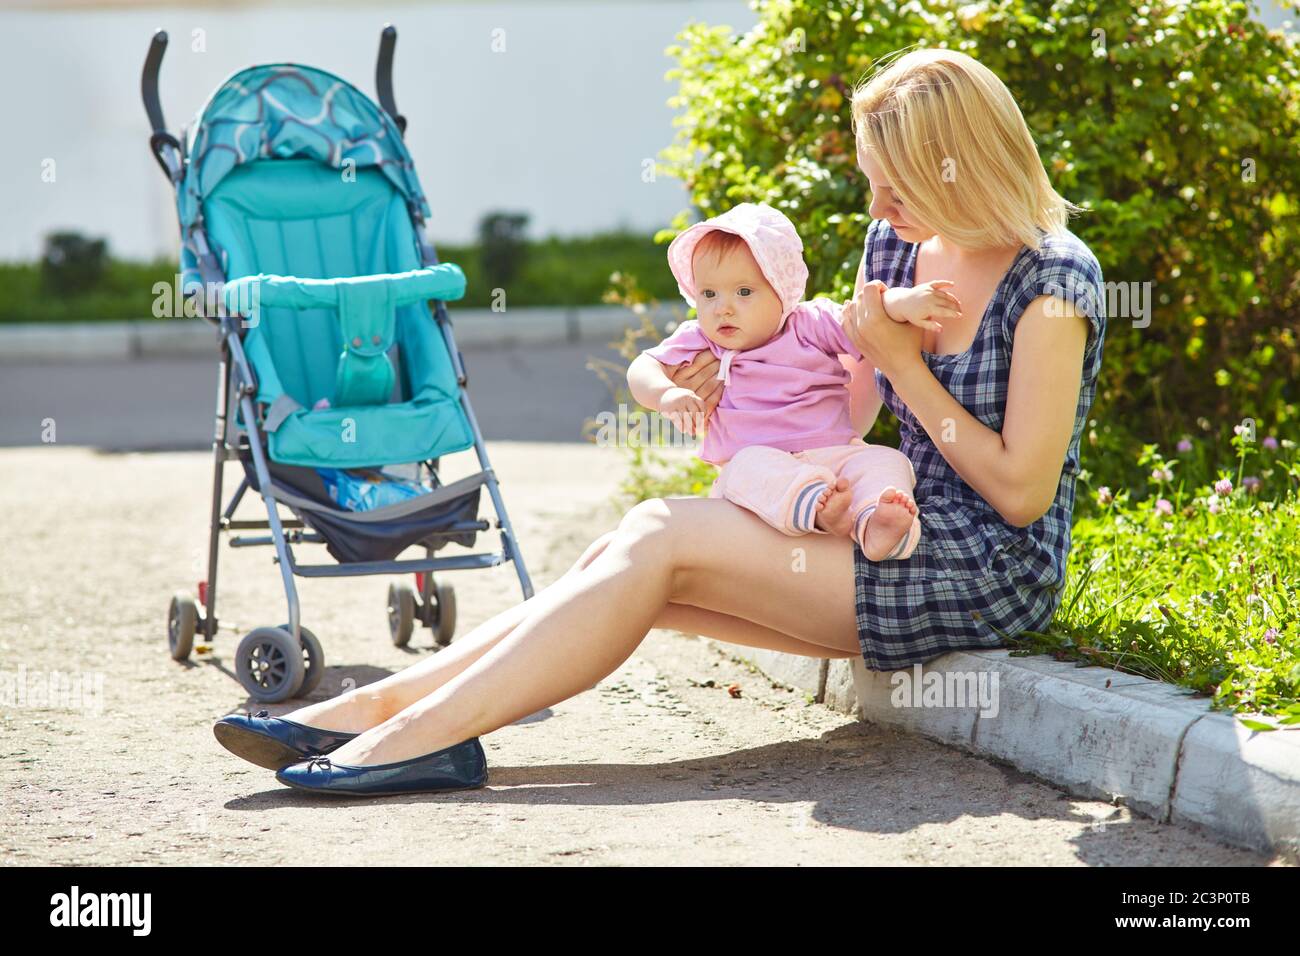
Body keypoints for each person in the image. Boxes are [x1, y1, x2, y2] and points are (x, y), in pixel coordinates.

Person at [212, 47, 1106, 797]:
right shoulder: (902, 244)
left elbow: (1023, 495)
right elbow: (849, 383)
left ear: (962, 164)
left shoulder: (1052, 281)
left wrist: (904, 362)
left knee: (662, 533)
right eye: (874, 186)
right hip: (881, 524)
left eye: (894, 187)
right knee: (629, 560)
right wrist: (754, 377)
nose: (877, 210)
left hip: (981, 566)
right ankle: (375, 715)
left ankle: (413, 738)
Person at [630, 201, 961, 561]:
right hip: (761, 472)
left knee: (885, 460)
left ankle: (876, 522)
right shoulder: (701, 338)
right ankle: (816, 508)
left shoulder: (811, 323)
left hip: (834, 453)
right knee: (742, 468)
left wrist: (907, 302)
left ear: (782, 291)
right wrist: (666, 394)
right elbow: (643, 367)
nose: (722, 308)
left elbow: (868, 314)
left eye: (743, 292)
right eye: (709, 294)